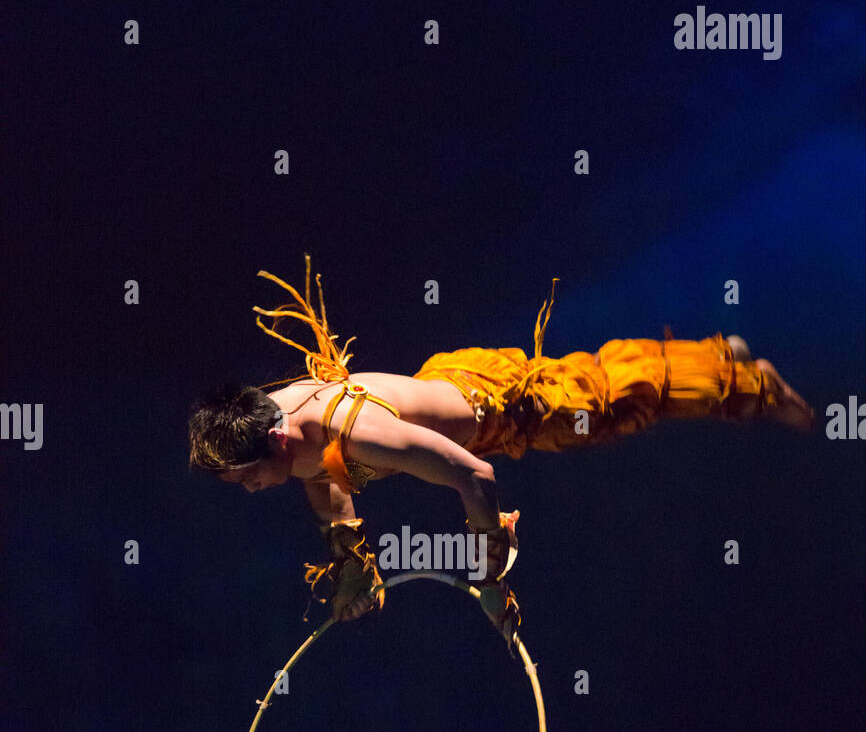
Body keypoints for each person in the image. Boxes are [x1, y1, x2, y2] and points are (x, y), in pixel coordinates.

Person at [188, 258, 815, 654]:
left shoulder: (359, 432)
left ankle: (750, 381)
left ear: (272, 441)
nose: (249, 491)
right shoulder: (279, 415)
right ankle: (718, 360)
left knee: (614, 405)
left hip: (504, 411)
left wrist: (489, 581)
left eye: (247, 479)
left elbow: (474, 475)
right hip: (451, 381)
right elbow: (321, 479)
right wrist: (352, 558)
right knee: (595, 382)